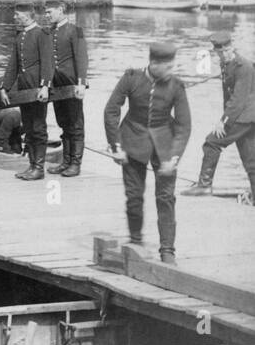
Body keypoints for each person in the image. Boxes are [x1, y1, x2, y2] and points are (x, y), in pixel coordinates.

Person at [104, 41, 191, 265]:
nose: (172, 71)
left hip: (165, 145)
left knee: (166, 198)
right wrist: (116, 146)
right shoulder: (131, 78)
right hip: (132, 141)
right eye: (168, 67)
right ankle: (136, 242)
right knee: (134, 196)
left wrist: (174, 157)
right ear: (153, 63)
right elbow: (112, 109)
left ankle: (168, 250)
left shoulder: (176, 86)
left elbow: (183, 125)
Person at [182, 31, 255, 200]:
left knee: (212, 143)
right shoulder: (227, 64)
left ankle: (204, 186)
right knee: (250, 160)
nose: (222, 56)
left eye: (224, 52)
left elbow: (238, 100)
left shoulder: (243, 66)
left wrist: (224, 121)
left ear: (232, 47)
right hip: (247, 117)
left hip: (244, 116)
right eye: (218, 53)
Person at [0, 0, 54, 181]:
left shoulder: (42, 34)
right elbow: (13, 65)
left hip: (37, 89)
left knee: (38, 127)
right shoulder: (20, 36)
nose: (15, 17)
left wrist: (45, 86)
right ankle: (32, 165)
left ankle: (39, 167)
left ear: (28, 15)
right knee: (29, 128)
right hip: (24, 90)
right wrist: (4, 87)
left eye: (17, 14)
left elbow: (47, 62)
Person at [46, 0, 89, 177]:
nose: (47, 15)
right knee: (63, 123)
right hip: (57, 85)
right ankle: (66, 161)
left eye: (50, 11)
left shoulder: (75, 30)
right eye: (46, 12)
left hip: (71, 84)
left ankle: (75, 164)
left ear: (61, 10)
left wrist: (81, 82)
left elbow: (81, 57)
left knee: (75, 124)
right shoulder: (49, 32)